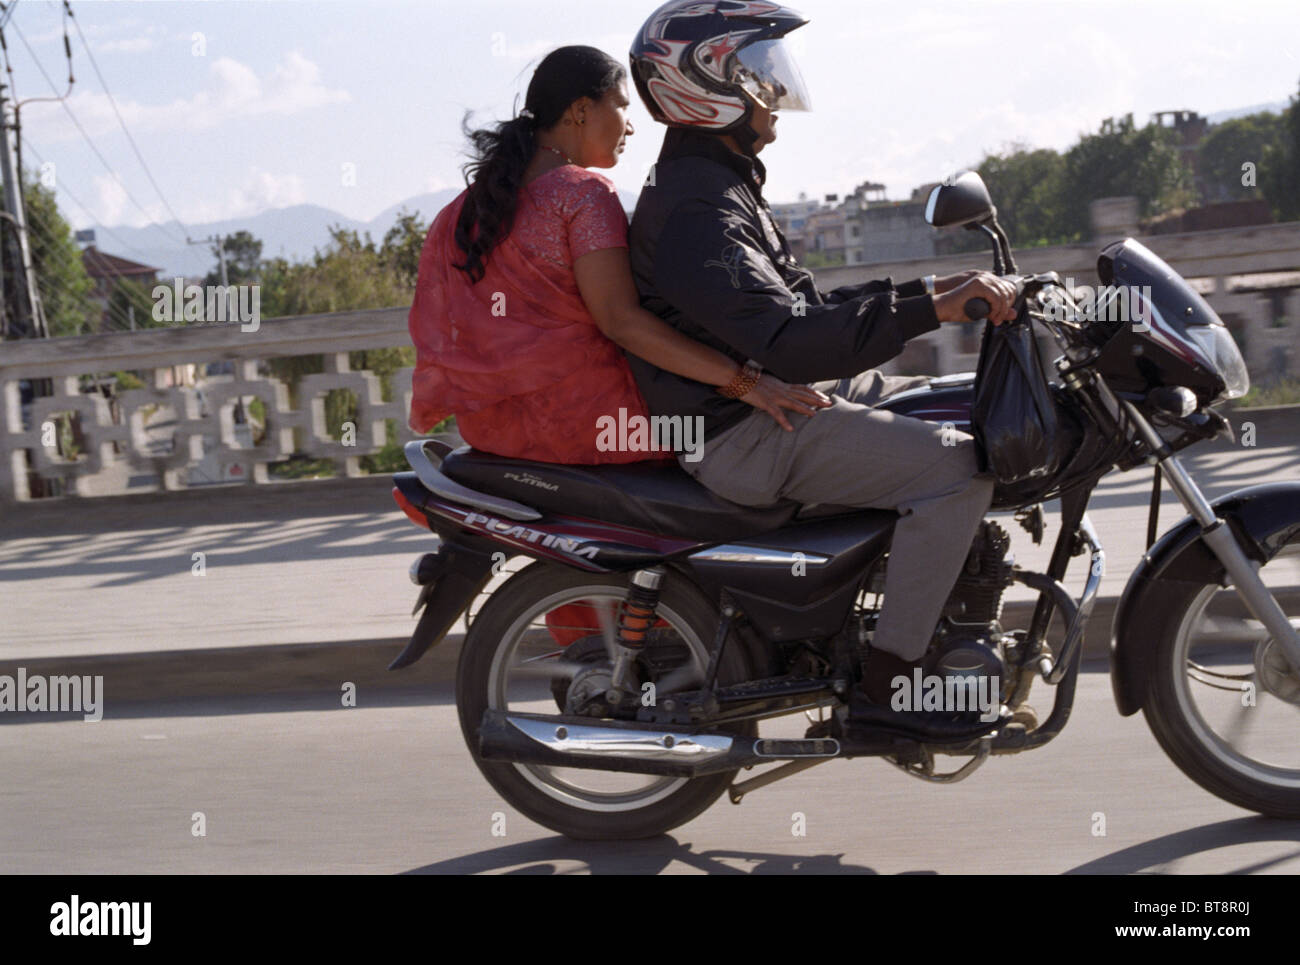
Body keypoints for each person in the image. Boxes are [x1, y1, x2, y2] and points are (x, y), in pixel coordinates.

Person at [626, 2, 1019, 731]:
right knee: (959, 468)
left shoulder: (721, 184)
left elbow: (805, 308)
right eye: (759, 76)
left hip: (774, 397)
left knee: (953, 398)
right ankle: (891, 685)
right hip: (745, 428)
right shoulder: (696, 212)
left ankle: (926, 612)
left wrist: (936, 294)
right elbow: (791, 339)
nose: (775, 95)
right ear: (708, 86)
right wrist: (932, 310)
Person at [407, 44, 830, 466]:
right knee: (749, 430)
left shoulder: (463, 210)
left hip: (494, 428)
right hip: (594, 422)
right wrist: (745, 383)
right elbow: (621, 321)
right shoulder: (581, 194)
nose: (630, 128)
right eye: (623, 107)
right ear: (581, 110)